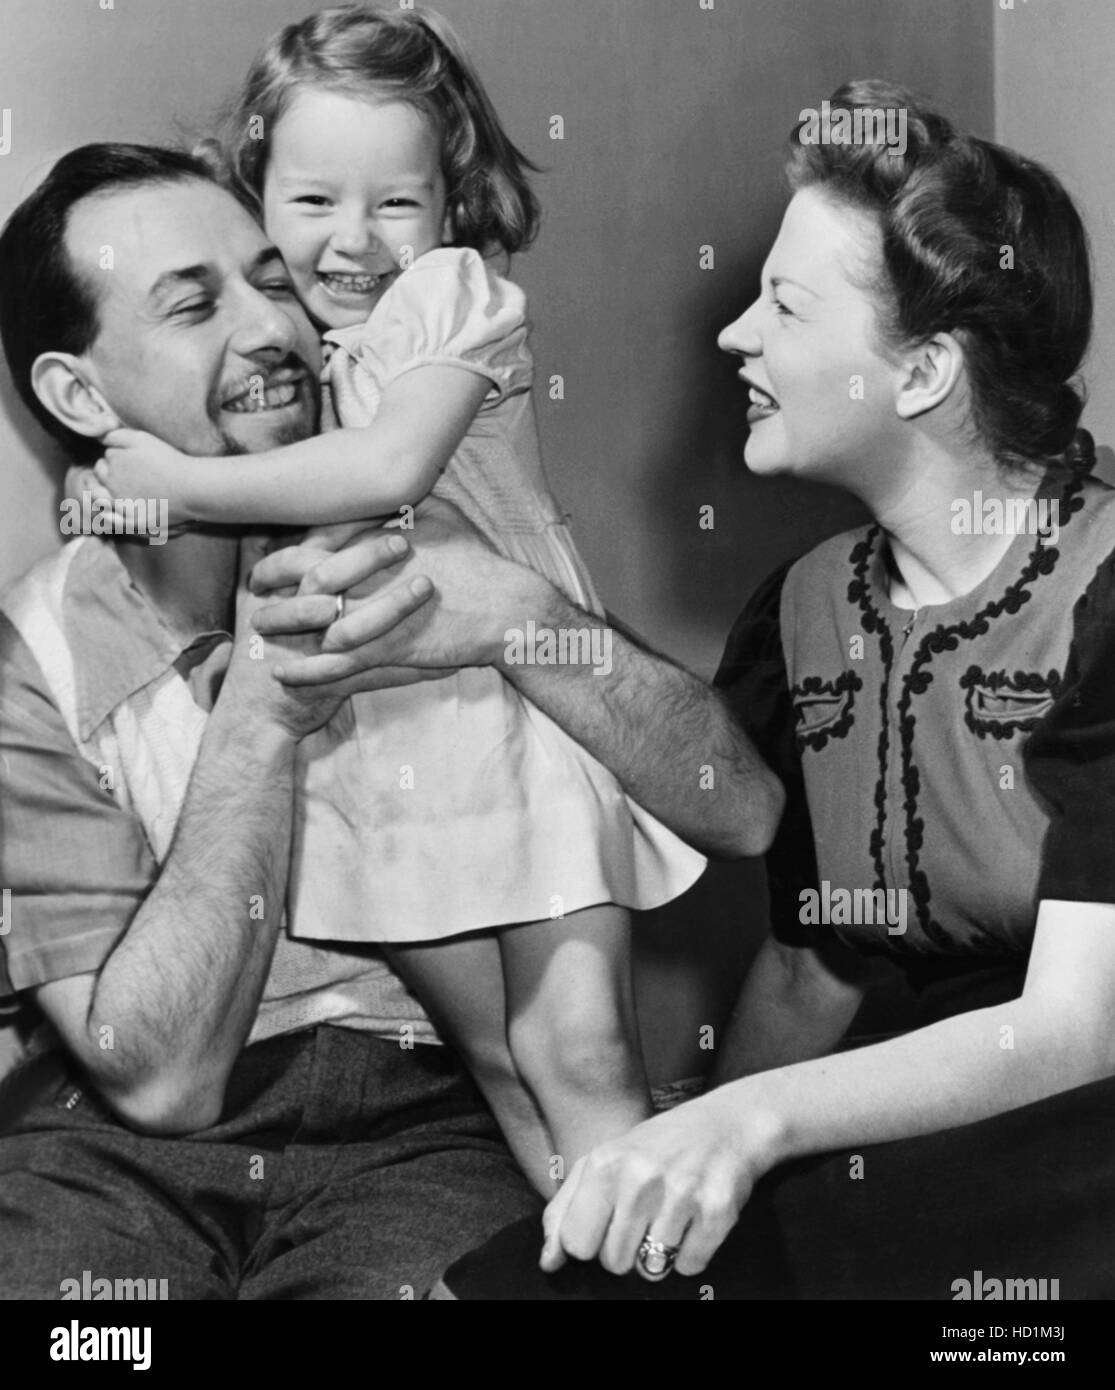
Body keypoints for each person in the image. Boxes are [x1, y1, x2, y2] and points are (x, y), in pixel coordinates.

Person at [255, 81, 1115, 1299]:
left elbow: (1082, 1028)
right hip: (923, 1089)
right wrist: (518, 617)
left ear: (919, 371)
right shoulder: (811, 605)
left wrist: (740, 1128)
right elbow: (810, 949)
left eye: (785, 303)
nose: (734, 334)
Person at [88, 4, 706, 1193]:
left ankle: (651, 1265)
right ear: (256, 190)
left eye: (396, 202)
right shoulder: (296, 344)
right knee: (497, 1053)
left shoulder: (450, 299)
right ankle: (575, 1255)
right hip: (387, 728)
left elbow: (387, 472)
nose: (354, 239)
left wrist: (180, 483)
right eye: (314, 200)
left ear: (450, 200)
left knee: (572, 1039)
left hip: (513, 705)